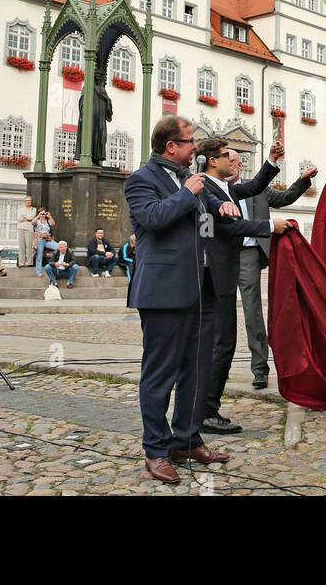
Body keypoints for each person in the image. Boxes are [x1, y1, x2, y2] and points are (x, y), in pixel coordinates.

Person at [125, 114, 235, 484]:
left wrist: (218, 208)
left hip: (200, 287)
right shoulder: (141, 180)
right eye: (190, 142)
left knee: (197, 369)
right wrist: (188, 193)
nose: (195, 148)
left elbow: (201, 226)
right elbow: (154, 219)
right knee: (160, 374)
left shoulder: (197, 183)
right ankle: (156, 448)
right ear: (171, 146)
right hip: (163, 292)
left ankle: (186, 439)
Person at [196, 137, 288, 434]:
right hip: (217, 273)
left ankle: (207, 408)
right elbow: (230, 227)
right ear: (214, 161)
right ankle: (206, 410)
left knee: (223, 342)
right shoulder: (206, 189)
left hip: (226, 269)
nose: (232, 161)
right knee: (221, 343)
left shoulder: (226, 188)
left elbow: (255, 187)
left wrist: (272, 161)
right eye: (227, 156)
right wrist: (270, 227)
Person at [228, 150, 314, 390]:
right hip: (223, 255)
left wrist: (303, 181)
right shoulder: (214, 189)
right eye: (231, 160)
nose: (235, 164)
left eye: (237, 161)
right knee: (219, 314)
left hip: (248, 255)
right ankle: (216, 367)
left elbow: (285, 198)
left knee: (252, 311)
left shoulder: (257, 188)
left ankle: (260, 369)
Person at [33, 210, 56, 277]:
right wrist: (38, 216)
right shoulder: (37, 221)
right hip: (40, 239)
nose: (43, 215)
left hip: (48, 239)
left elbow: (53, 224)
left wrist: (49, 216)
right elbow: (32, 222)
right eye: (42, 213)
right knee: (39, 256)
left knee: (58, 247)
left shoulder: (48, 221)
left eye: (44, 213)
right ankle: (39, 272)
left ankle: (54, 265)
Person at [17, 197, 38, 268]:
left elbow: (31, 217)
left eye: (30, 201)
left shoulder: (33, 209)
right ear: (25, 201)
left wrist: (26, 218)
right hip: (21, 227)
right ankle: (21, 262)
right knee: (21, 246)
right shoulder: (20, 209)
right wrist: (26, 219)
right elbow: (19, 218)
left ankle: (29, 262)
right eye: (27, 201)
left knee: (29, 246)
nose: (29, 202)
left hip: (29, 228)